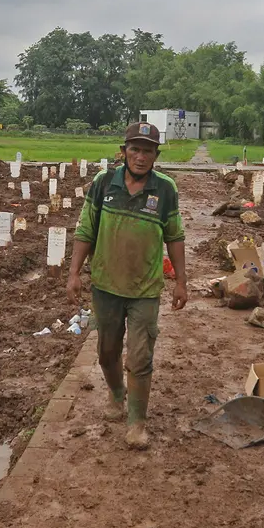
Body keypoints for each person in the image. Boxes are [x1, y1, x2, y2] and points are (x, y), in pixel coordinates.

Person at [69, 123, 187, 450]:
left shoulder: (165, 189)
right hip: (105, 286)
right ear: (124, 152)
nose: (140, 156)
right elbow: (85, 230)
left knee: (140, 357)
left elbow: (175, 236)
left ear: (155, 155)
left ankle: (137, 422)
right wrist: (74, 273)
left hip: (145, 290)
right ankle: (116, 393)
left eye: (147, 150)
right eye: (134, 149)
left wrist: (181, 281)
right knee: (107, 353)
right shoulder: (103, 182)